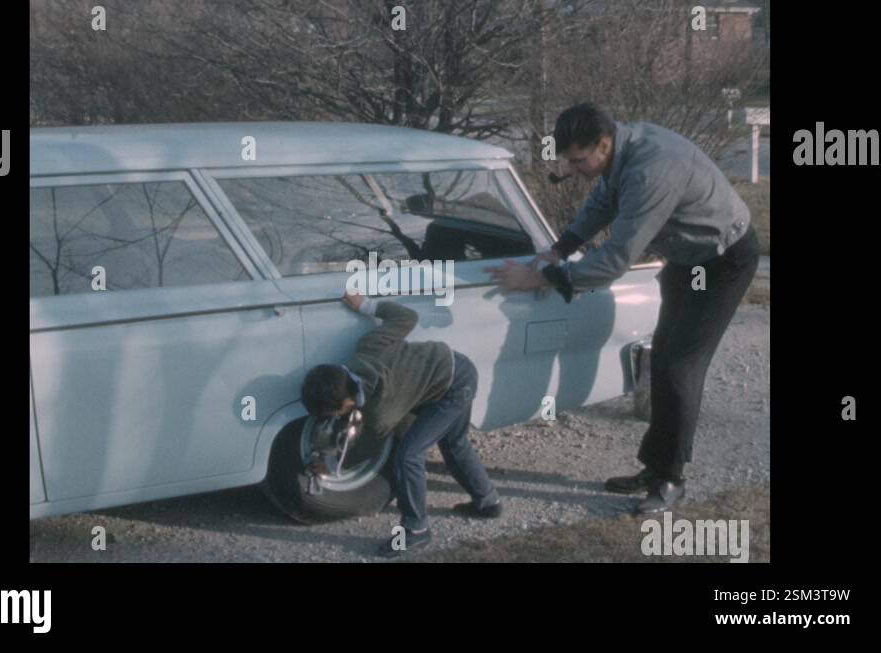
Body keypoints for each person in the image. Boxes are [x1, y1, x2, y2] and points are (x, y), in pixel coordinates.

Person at [486, 102, 760, 514]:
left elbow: (617, 259)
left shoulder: (652, 169)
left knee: (682, 367)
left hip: (723, 261)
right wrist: (559, 251)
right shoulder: (621, 152)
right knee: (664, 358)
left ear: (603, 142)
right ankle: (654, 469)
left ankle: (670, 480)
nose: (574, 168)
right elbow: (601, 205)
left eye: (579, 160)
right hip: (687, 259)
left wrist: (541, 278)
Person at [301, 292, 502, 557]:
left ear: (347, 403)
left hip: (454, 385)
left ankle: (416, 530)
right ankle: (488, 503)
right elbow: (406, 316)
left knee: (408, 455)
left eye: (334, 413)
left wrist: (329, 464)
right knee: (454, 442)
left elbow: (366, 447)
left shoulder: (381, 412)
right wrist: (367, 306)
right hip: (450, 367)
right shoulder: (367, 348)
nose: (336, 418)